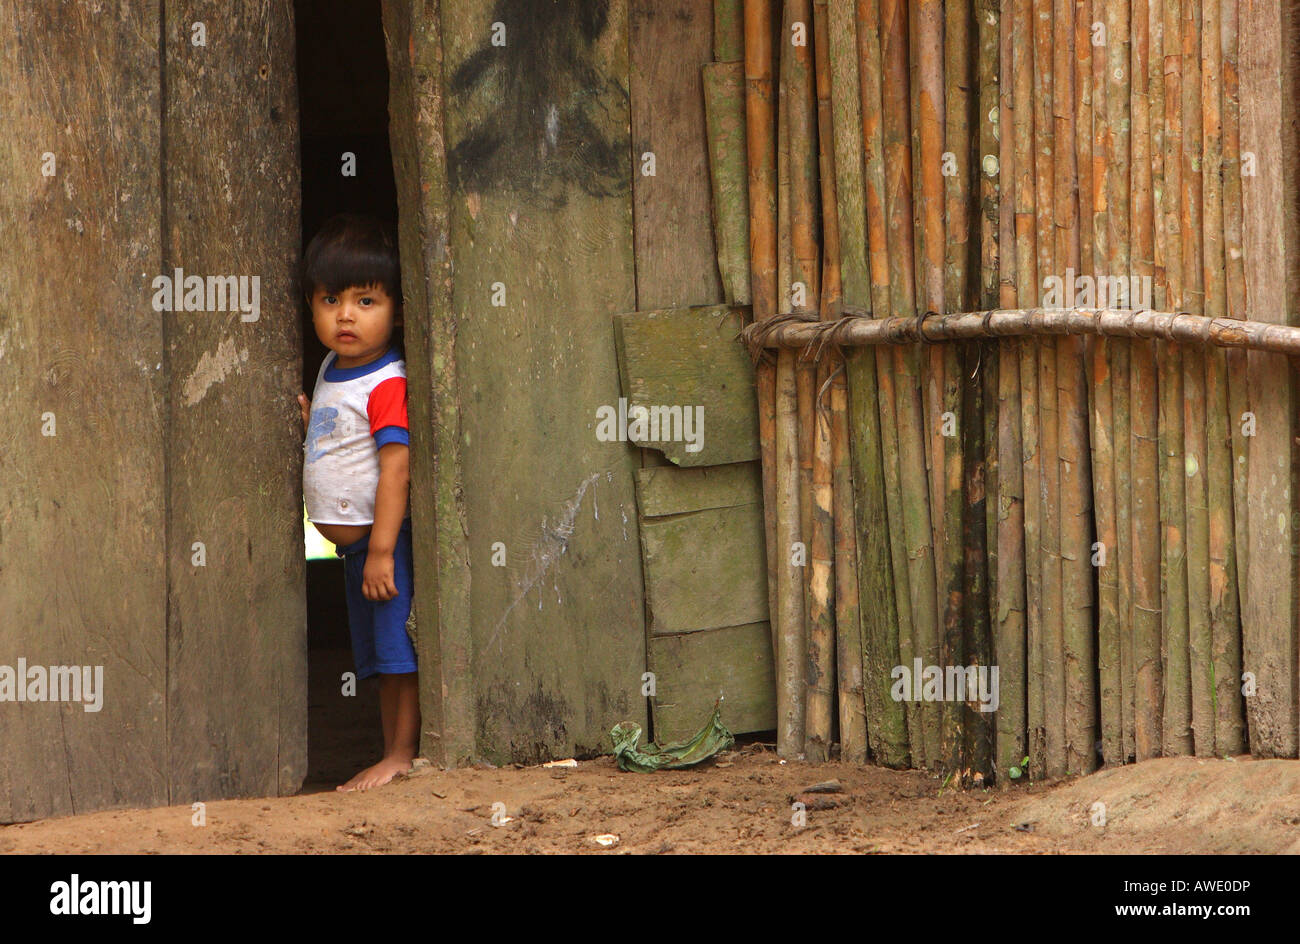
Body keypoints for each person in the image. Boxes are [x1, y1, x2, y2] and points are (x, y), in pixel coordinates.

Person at [296, 213, 419, 792]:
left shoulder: (386, 381)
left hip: (380, 544)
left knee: (398, 656)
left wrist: (383, 552)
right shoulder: (330, 367)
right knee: (373, 658)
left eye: (366, 300)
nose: (346, 314)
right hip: (355, 553)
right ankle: (387, 748)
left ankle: (401, 754)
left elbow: (396, 468)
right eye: (331, 299)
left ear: (396, 307)